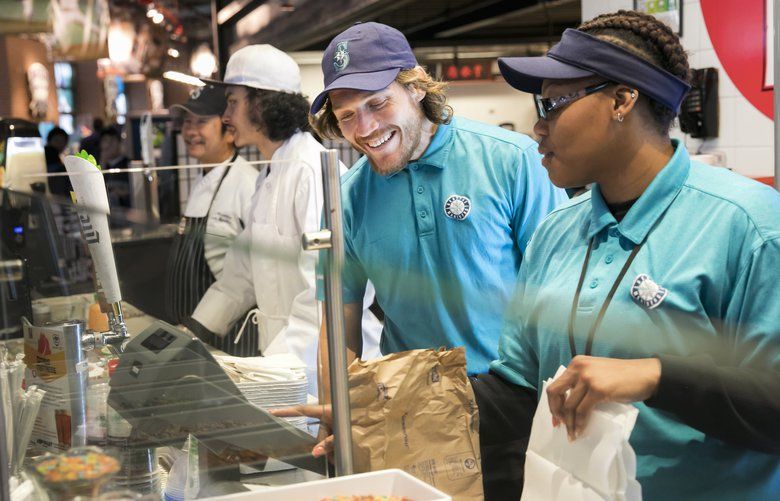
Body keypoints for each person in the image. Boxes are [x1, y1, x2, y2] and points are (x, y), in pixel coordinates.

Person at [485, 9, 780, 499]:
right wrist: (385, 408)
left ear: (622, 100)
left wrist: (657, 376)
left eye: (553, 104)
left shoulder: (748, 227)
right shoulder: (557, 231)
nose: (538, 128)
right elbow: (518, 391)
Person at [309, 22, 565, 399]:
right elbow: (338, 319)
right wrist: (336, 414)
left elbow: (558, 295)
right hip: (411, 403)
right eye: (347, 116)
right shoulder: (346, 198)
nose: (364, 128)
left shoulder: (511, 161)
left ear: (415, 88)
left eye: (378, 104)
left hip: (514, 394)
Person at [185, 45, 381, 396]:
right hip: (286, 361)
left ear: (262, 103)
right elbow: (240, 274)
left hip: (324, 362)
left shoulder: (309, 169)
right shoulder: (272, 172)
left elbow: (322, 293)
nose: (226, 115)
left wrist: (270, 370)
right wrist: (193, 331)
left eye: (232, 101)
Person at [164, 84, 260, 356]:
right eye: (187, 122)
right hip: (190, 333)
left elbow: (248, 274)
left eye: (201, 122)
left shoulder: (248, 184)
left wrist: (198, 327)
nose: (190, 131)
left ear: (229, 130)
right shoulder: (202, 179)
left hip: (228, 337)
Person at [99, 126, 131, 210]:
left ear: (119, 143)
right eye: (105, 141)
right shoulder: (99, 166)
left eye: (112, 141)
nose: (108, 145)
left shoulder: (129, 165)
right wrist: (102, 162)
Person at [44, 126, 72, 196]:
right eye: (56, 140)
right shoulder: (50, 153)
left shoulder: (49, 152)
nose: (59, 143)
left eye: (62, 141)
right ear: (49, 140)